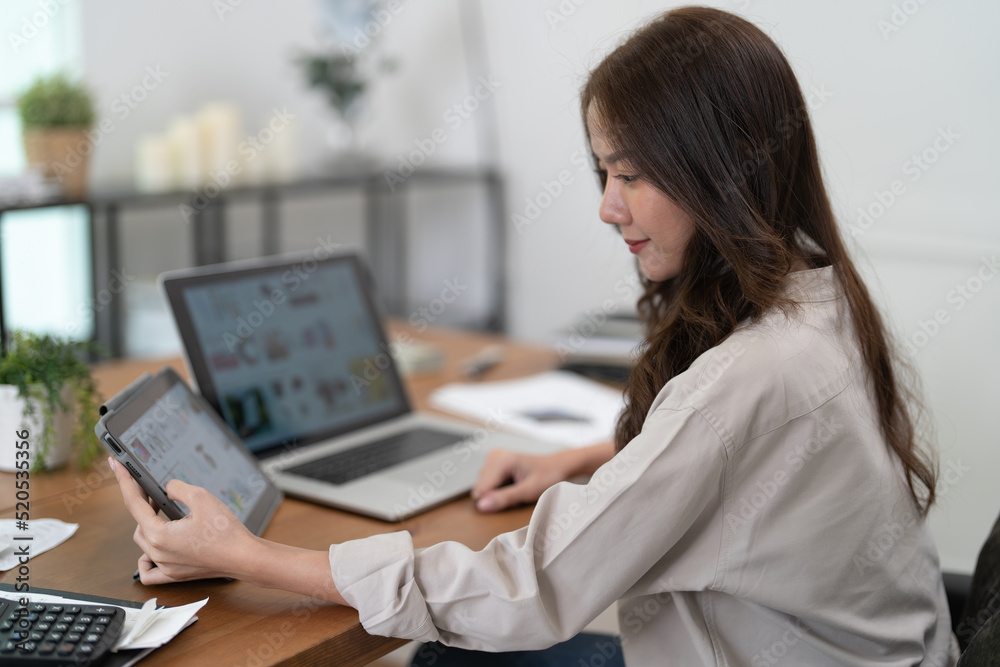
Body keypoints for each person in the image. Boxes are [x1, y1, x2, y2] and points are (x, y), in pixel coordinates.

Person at [110, 6, 960, 666]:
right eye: (603, 172)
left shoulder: (749, 379)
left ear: (719, 171)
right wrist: (593, 458)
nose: (607, 206)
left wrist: (252, 553)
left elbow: (528, 588)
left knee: (454, 648)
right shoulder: (820, 296)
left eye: (631, 173)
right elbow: (738, 459)